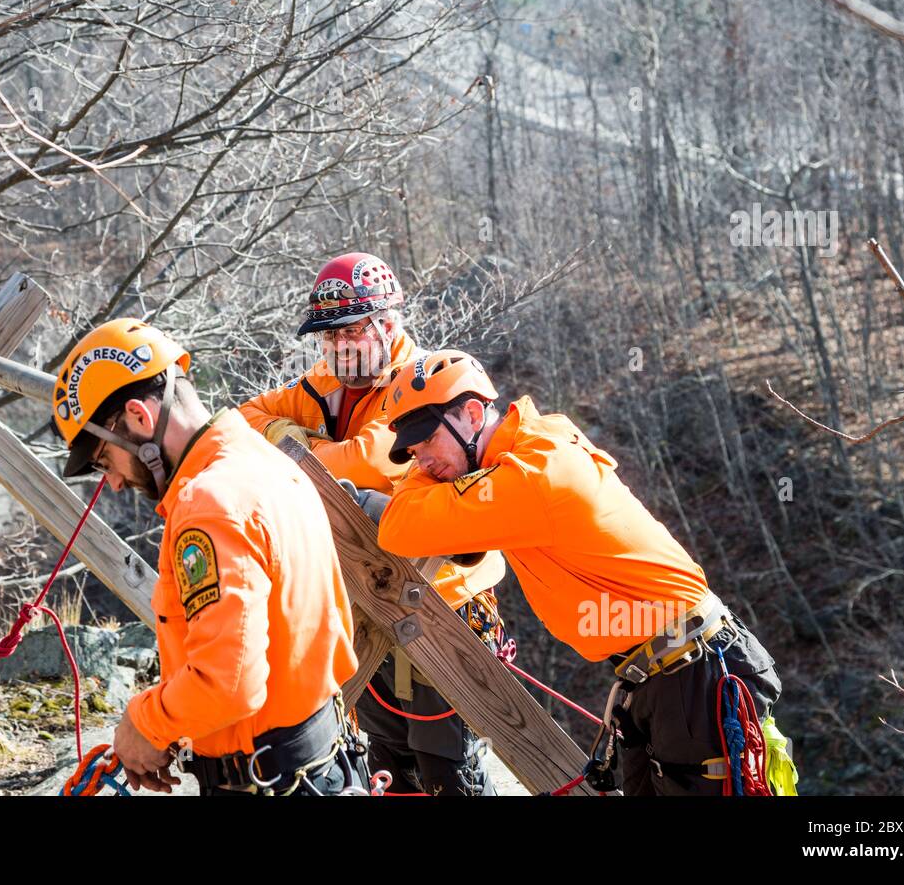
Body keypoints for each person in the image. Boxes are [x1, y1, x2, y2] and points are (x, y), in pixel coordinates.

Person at [377, 349, 793, 796]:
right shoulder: (528, 452)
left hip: (692, 674)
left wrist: (428, 484)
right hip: (665, 674)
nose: (422, 462)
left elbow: (401, 525)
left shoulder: (535, 473)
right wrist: (436, 469)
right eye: (413, 452)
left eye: (427, 443)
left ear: (473, 414)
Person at [52, 317, 367, 795]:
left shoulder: (210, 505)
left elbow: (230, 680)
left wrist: (145, 723)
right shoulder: (263, 461)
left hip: (270, 779)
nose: (112, 481)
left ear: (139, 416)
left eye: (104, 459)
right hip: (320, 758)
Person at [240, 253, 506, 795]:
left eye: (348, 335)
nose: (336, 349)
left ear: (386, 325)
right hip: (367, 599)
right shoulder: (322, 385)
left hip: (445, 600)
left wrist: (296, 446)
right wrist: (293, 439)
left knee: (451, 771)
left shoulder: (423, 385)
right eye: (328, 338)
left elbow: (369, 460)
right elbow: (238, 422)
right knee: (387, 765)